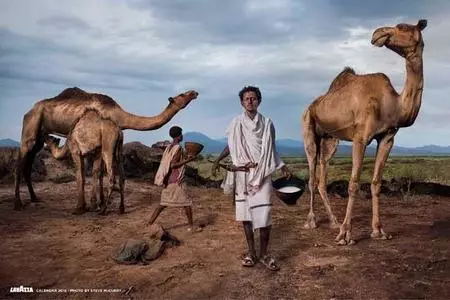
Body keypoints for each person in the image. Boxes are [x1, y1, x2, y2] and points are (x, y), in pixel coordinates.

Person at [212, 86, 292, 271]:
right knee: (245, 217)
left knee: (264, 215)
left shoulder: (267, 124)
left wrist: (282, 166)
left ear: (259, 101)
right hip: (242, 174)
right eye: (246, 99)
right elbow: (231, 146)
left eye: (253, 98)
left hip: (262, 173)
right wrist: (217, 160)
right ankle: (251, 252)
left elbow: (271, 149)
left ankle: (264, 254)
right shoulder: (236, 123)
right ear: (241, 102)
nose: (250, 101)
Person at [149, 126, 199, 232]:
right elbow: (173, 165)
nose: (182, 136)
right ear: (178, 135)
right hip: (176, 181)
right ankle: (191, 227)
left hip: (168, 180)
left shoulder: (169, 147)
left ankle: (149, 223)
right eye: (181, 133)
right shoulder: (178, 148)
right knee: (187, 203)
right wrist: (188, 161)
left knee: (162, 204)